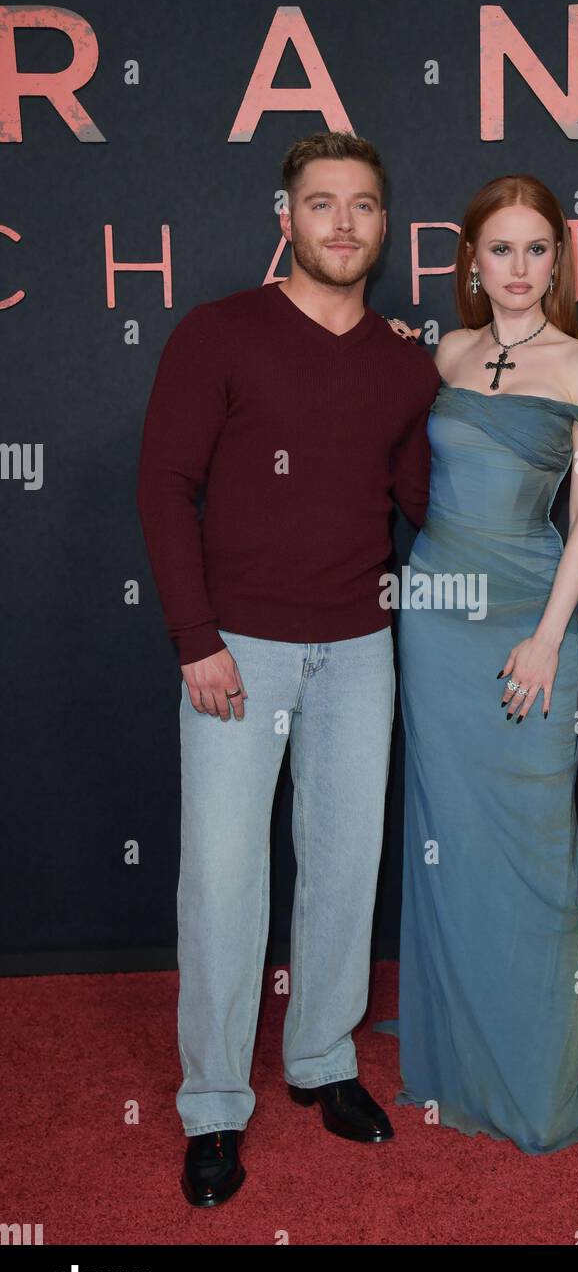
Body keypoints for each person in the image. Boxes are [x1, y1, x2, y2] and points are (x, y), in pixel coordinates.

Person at [136, 130, 440, 1206]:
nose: (343, 224)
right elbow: (164, 485)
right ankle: (214, 1105)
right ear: (287, 217)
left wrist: (470, 385)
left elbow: (418, 501)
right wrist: (194, 637)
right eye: (322, 204)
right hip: (239, 647)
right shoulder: (217, 333)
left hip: (361, 647)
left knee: (343, 866)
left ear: (384, 225)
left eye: (362, 205)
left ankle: (321, 1059)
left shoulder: (405, 363)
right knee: (222, 880)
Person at [374, 175, 578, 1154]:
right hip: (432, 616)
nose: (517, 268)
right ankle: (458, 1049)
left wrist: (546, 634)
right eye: (498, 249)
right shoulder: (446, 352)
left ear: (558, 260)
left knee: (536, 851)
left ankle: (532, 1066)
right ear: (469, 261)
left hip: (528, 620)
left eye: (536, 249)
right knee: (446, 836)